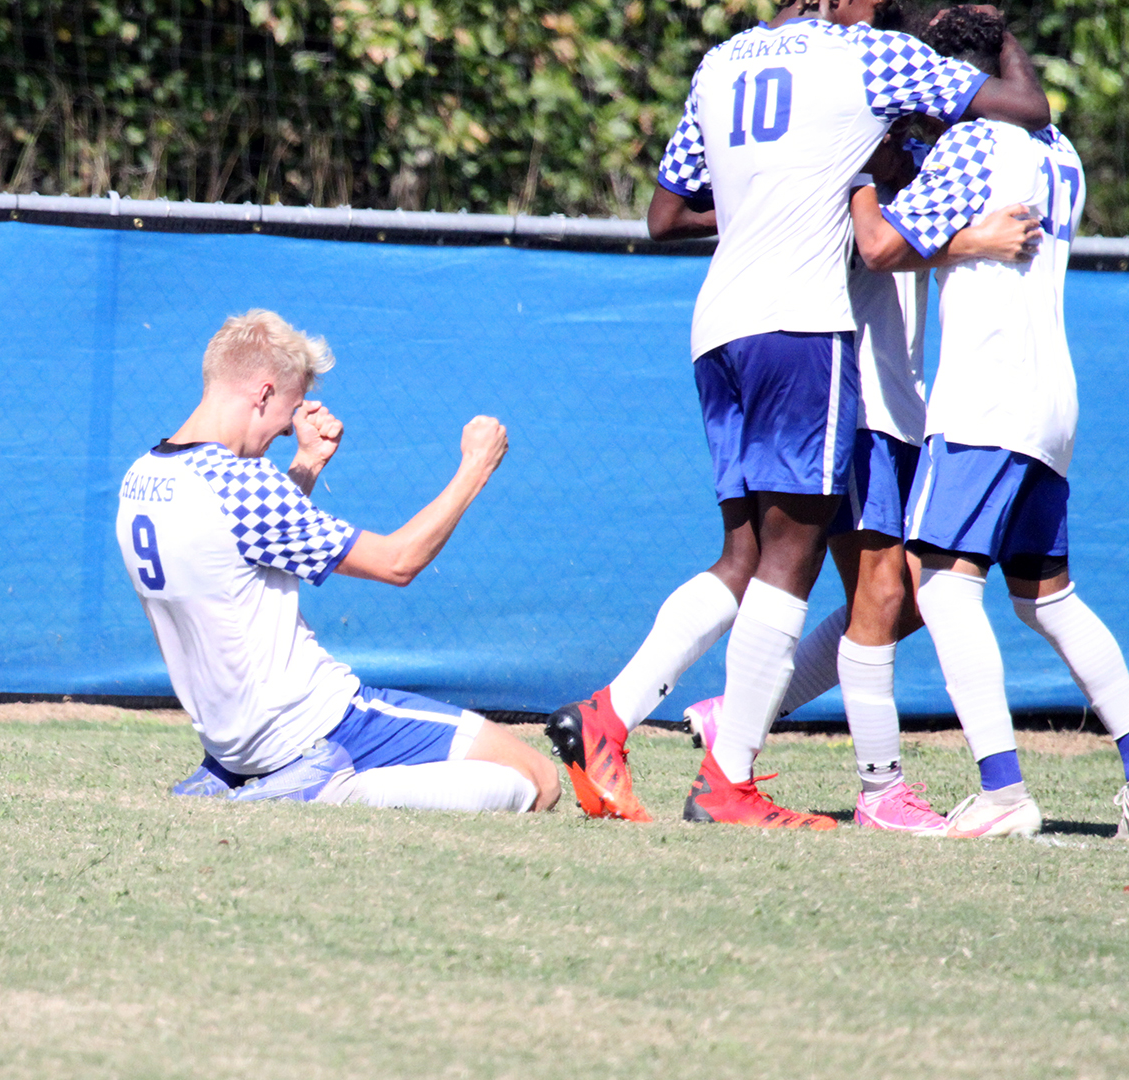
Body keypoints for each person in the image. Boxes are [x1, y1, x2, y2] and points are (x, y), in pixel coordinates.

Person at [552, 0, 1050, 828]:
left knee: (751, 555)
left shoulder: (722, 61)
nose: (886, 9)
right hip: (809, 334)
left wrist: (776, 204)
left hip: (721, 327)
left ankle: (614, 714)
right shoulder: (868, 59)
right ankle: (749, 779)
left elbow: (666, 213)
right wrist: (994, 34)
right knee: (813, 564)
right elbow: (1025, 112)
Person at [683, 110, 1042, 835]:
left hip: (905, 402)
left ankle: (744, 710)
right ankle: (880, 791)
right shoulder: (843, 156)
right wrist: (974, 239)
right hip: (861, 400)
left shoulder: (918, 158)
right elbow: (872, 249)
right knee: (881, 589)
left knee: (912, 596)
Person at [849, 5, 1129, 839]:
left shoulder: (974, 142)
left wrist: (863, 172)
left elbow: (879, 245)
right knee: (1050, 600)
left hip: (985, 390)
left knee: (942, 584)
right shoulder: (1063, 151)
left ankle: (1004, 791)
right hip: (1050, 400)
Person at [114, 310, 559, 814]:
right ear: (262, 394)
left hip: (233, 745)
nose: (288, 429)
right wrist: (476, 466)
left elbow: (241, 551)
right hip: (319, 723)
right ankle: (330, 789)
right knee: (539, 780)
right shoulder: (242, 484)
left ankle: (246, 779)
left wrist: (306, 466)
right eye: (291, 408)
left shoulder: (142, 479)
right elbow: (398, 562)